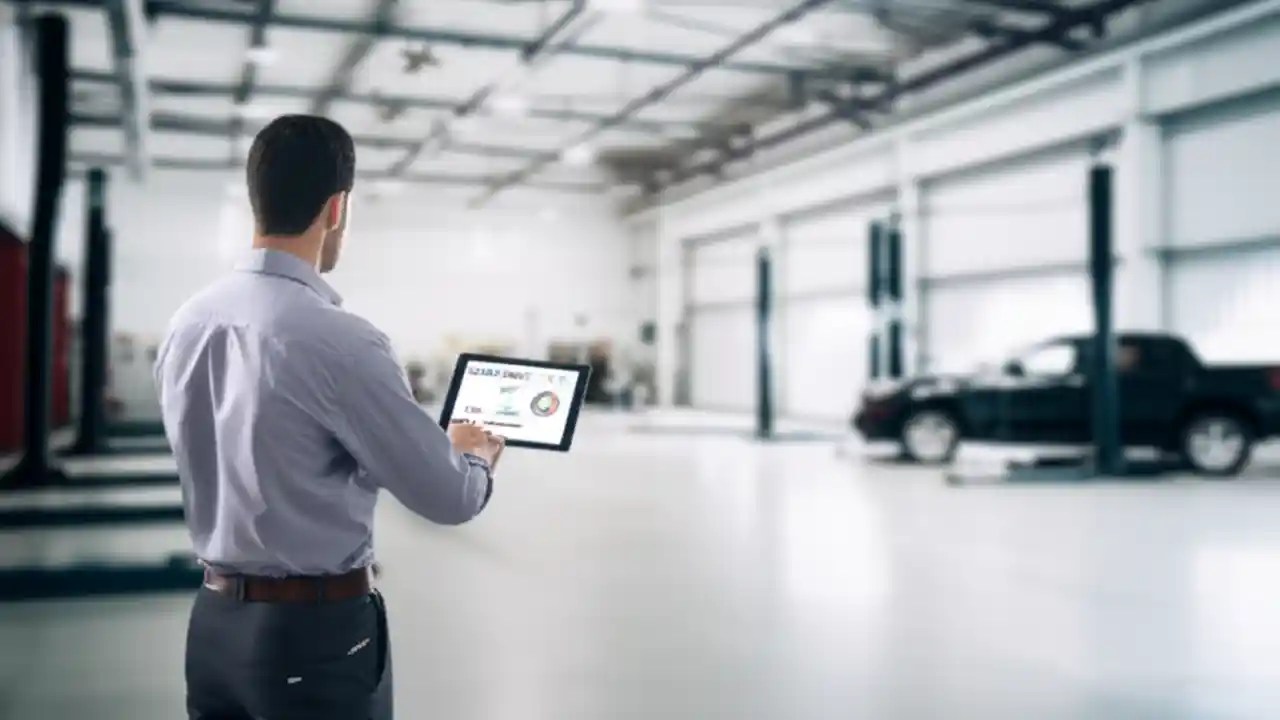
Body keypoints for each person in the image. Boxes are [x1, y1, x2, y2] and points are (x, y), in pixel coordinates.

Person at [154, 114, 506, 720]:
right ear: (337, 209)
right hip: (313, 638)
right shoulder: (339, 340)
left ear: (257, 200)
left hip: (212, 627)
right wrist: (474, 453)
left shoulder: (188, 322)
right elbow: (449, 498)